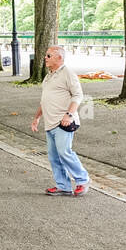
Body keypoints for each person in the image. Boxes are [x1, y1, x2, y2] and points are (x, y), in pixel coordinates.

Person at [30, 45, 90, 196]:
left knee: (64, 152)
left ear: (59, 58)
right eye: (46, 55)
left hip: (63, 122)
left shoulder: (67, 73)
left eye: (49, 56)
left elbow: (78, 96)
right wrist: (37, 118)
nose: (45, 58)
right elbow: (44, 101)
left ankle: (82, 180)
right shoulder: (49, 76)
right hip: (50, 124)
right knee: (53, 157)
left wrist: (68, 115)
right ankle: (63, 186)